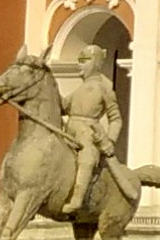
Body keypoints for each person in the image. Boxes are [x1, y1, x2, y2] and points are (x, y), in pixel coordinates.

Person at [50, 37, 125, 223]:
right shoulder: (80, 88)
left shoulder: (104, 89)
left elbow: (116, 119)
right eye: (79, 62)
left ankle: (77, 200)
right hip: (70, 131)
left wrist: (109, 141)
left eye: (84, 62)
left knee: (87, 159)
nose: (80, 66)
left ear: (96, 63)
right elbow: (64, 106)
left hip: (88, 134)